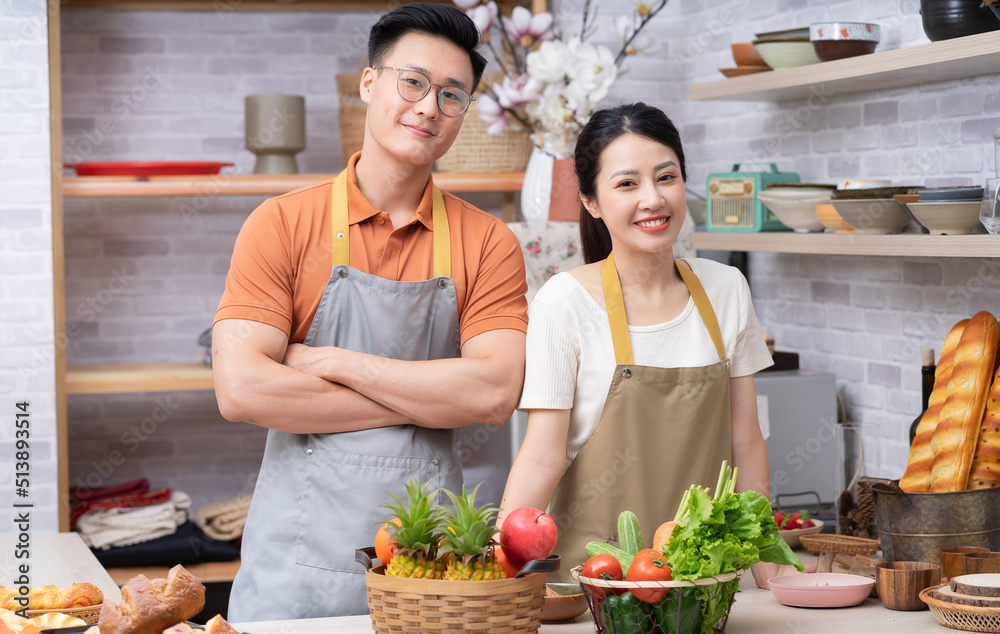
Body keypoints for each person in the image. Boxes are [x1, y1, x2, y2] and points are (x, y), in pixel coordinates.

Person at [212, 3, 528, 620]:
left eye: (453, 95)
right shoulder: (280, 223)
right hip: (292, 580)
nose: (429, 106)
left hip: (433, 577)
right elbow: (242, 390)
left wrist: (332, 362)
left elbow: (491, 395)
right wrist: (429, 401)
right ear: (368, 81)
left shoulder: (489, 241)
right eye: (413, 81)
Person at [499, 102, 801, 588]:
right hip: (593, 588)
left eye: (666, 177)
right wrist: (502, 568)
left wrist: (768, 567)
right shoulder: (565, 301)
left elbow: (745, 442)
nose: (653, 199)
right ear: (592, 201)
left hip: (702, 585)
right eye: (626, 184)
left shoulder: (726, 289)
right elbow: (541, 456)